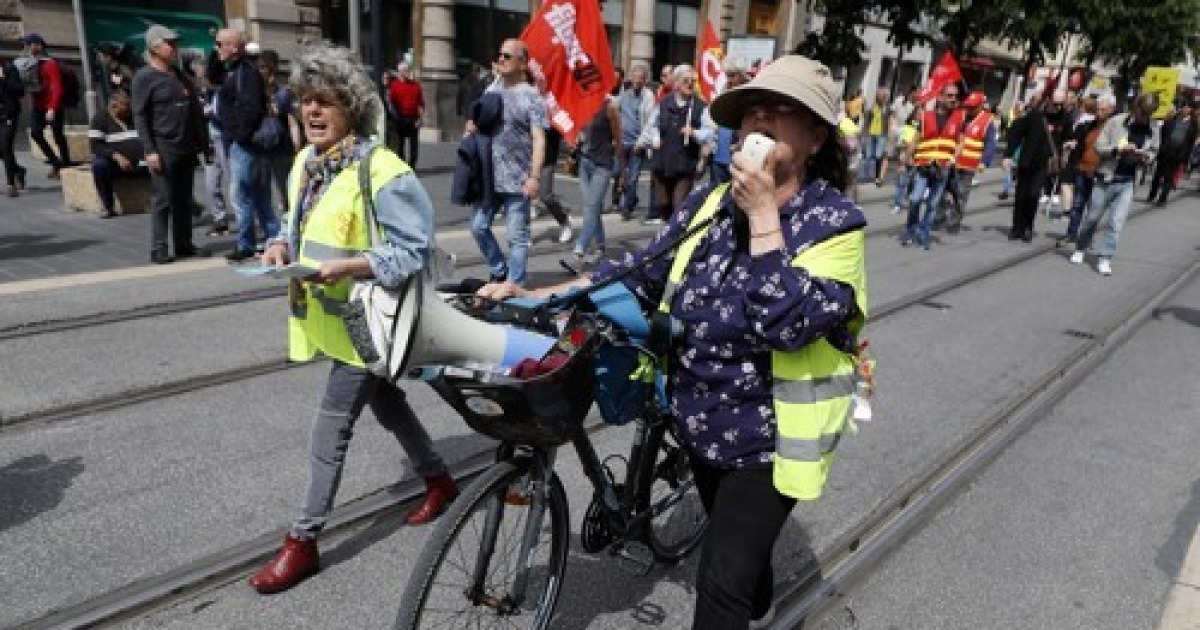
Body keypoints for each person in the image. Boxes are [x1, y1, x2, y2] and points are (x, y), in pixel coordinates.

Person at [477, 54, 868, 630]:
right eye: (753, 109)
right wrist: (540, 292)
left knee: (720, 587)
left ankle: (741, 589)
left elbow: (784, 322)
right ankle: (754, 586)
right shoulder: (712, 203)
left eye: (782, 111)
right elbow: (639, 270)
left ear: (814, 138)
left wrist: (763, 213)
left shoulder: (836, 223)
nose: (760, 118)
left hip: (771, 439)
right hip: (699, 418)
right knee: (741, 570)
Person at [250, 42, 457, 595]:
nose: (313, 112)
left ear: (353, 109)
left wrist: (354, 266)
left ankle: (303, 540)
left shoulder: (384, 170)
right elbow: (296, 227)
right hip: (334, 320)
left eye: (327, 102)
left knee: (329, 431)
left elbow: (416, 251)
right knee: (388, 403)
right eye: (305, 101)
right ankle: (439, 480)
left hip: (368, 323)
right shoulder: (305, 163)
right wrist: (277, 245)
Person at [465, 39, 546, 285]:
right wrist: (472, 126)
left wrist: (534, 177)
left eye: (507, 56)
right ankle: (499, 268)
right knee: (478, 226)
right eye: (499, 55)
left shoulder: (532, 96)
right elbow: (477, 122)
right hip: (489, 176)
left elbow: (539, 139)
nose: (500, 59)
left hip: (517, 179)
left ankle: (515, 286)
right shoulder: (492, 91)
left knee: (517, 238)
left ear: (523, 63)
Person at [131, 24, 210, 264]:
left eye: (175, 43)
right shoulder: (144, 77)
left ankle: (184, 244)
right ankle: (159, 248)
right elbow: (140, 115)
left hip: (186, 146)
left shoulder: (180, 76)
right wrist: (150, 150)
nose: (175, 48)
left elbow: (195, 111)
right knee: (163, 199)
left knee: (184, 199)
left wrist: (204, 144)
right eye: (170, 44)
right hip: (164, 146)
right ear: (155, 48)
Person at [1068, 92, 1160, 276]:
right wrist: (1118, 150)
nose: (1144, 118)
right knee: (1092, 217)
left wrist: (1144, 157)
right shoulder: (1116, 121)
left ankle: (1105, 258)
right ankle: (1080, 247)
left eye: (1148, 115)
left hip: (1127, 182)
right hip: (1106, 177)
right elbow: (1099, 147)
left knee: (1116, 223)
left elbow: (1154, 151)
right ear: (1136, 108)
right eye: (1142, 113)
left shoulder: (1153, 128)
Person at [216, 28, 279, 261]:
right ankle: (274, 239)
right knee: (260, 195)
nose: (217, 48)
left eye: (219, 43)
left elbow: (250, 108)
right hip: (252, 143)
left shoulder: (245, 72)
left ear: (233, 47)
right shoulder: (241, 71)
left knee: (241, 196)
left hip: (246, 144)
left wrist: (238, 135)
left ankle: (246, 244)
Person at [639, 64, 712, 225]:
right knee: (662, 202)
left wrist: (694, 133)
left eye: (692, 81)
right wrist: (654, 138)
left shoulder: (700, 107)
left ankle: (677, 236)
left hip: (684, 164)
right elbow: (651, 126)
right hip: (662, 162)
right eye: (686, 81)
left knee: (679, 205)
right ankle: (669, 228)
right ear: (676, 84)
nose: (690, 84)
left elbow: (709, 133)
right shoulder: (664, 104)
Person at [901, 83, 964, 249]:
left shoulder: (958, 118)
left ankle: (924, 233)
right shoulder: (925, 116)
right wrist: (905, 159)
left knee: (933, 204)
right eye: (949, 96)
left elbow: (960, 142)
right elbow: (915, 140)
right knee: (915, 199)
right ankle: (910, 229)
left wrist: (953, 158)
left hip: (942, 168)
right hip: (923, 164)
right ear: (940, 97)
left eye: (955, 96)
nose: (953, 99)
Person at [565, 88, 621, 270]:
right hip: (585, 163)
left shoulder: (610, 107)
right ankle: (601, 247)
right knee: (592, 208)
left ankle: (579, 251)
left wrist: (623, 172)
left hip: (602, 165)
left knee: (590, 207)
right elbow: (578, 132)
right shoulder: (582, 105)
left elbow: (618, 140)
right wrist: (573, 141)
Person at [1002, 92, 1056, 242]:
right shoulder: (1032, 117)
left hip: (1042, 164)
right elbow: (1015, 133)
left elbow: (1068, 135)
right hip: (1026, 162)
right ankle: (1017, 227)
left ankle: (1028, 227)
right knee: (1021, 196)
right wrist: (1008, 155)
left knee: (1033, 195)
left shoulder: (1060, 119)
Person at [1060, 95, 1109, 246]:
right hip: (1083, 168)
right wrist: (1071, 143)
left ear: (1109, 111)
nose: (1099, 112)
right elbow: (1077, 140)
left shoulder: (1111, 128)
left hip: (1099, 172)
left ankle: (1087, 237)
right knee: (1078, 204)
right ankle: (1071, 234)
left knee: (1093, 208)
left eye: (1102, 109)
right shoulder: (1087, 125)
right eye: (1098, 109)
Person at [257, 49, 302, 214]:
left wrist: (296, 145)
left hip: (281, 146)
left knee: (285, 188)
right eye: (260, 67)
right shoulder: (253, 90)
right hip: (259, 145)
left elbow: (292, 120)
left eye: (265, 67)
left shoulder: (283, 92)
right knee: (262, 188)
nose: (262, 71)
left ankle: (288, 217)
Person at [20, 34, 70, 179]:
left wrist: (52, 107)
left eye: (28, 44)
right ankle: (56, 162)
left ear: (38, 46)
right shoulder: (30, 63)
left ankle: (65, 164)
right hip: (38, 106)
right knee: (36, 133)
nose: (26, 48)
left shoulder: (50, 63)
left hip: (52, 105)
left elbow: (58, 87)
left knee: (58, 135)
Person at [88, 91, 145, 219]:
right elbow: (96, 146)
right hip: (117, 165)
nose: (129, 108)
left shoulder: (136, 117)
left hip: (142, 163)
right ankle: (107, 206)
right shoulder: (100, 119)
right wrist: (117, 156)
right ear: (113, 106)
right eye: (125, 105)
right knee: (99, 165)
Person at [195, 56, 231, 236]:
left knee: (234, 183)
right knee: (211, 184)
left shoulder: (224, 92)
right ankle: (220, 219)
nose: (201, 81)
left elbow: (228, 120)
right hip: (210, 143)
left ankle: (247, 221)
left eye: (203, 78)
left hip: (224, 140)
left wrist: (210, 113)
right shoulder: (206, 94)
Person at [617, 63, 657, 221]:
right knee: (618, 173)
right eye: (635, 77)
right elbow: (617, 113)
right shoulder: (624, 94)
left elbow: (649, 121)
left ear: (645, 80)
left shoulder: (648, 96)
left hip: (637, 143)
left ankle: (627, 208)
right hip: (622, 142)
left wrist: (641, 142)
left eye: (641, 78)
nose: (637, 81)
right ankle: (632, 199)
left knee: (633, 176)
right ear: (631, 77)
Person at [703, 58, 751, 185]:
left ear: (742, 74)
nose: (729, 79)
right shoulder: (724, 90)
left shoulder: (751, 92)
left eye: (732, 76)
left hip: (738, 154)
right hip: (719, 154)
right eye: (727, 76)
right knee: (716, 194)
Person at [950, 91, 995, 222]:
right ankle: (941, 218)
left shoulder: (987, 121)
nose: (969, 109)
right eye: (968, 106)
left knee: (961, 193)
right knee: (947, 192)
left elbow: (991, 143)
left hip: (969, 164)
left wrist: (984, 161)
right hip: (953, 161)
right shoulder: (962, 116)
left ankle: (955, 222)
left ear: (980, 106)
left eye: (972, 106)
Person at [1147, 101, 1196, 206]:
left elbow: (1190, 143)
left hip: (1178, 153)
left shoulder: (1192, 124)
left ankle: (1162, 199)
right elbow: (1163, 133)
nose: (1186, 109)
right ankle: (1152, 194)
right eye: (1184, 107)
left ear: (1190, 110)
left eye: (1188, 108)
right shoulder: (1172, 120)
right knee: (1158, 174)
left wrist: (1186, 158)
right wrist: (1162, 147)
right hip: (1166, 151)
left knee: (1169, 177)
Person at [387, 61, 424, 169]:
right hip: (400, 118)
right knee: (400, 145)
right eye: (404, 70)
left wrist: (420, 119)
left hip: (413, 118)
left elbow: (420, 103)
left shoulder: (415, 86)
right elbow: (391, 103)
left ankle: (412, 166)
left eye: (407, 70)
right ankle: (402, 166)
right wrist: (395, 117)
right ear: (399, 72)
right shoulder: (395, 85)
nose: (406, 72)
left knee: (414, 146)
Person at [0, 55, 26, 198]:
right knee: (2, 150)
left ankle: (11, 185)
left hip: (8, 114)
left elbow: (20, 91)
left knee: (5, 147)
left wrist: (3, 80)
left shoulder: (9, 69)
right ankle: (18, 170)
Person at [859, 88, 891, 186]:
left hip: (882, 135)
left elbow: (890, 122)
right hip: (871, 134)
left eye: (884, 96)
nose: (883, 98)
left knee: (878, 156)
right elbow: (867, 121)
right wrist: (863, 134)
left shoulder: (887, 108)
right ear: (877, 97)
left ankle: (877, 178)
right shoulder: (872, 107)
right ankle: (867, 175)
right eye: (881, 96)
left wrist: (889, 136)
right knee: (869, 155)